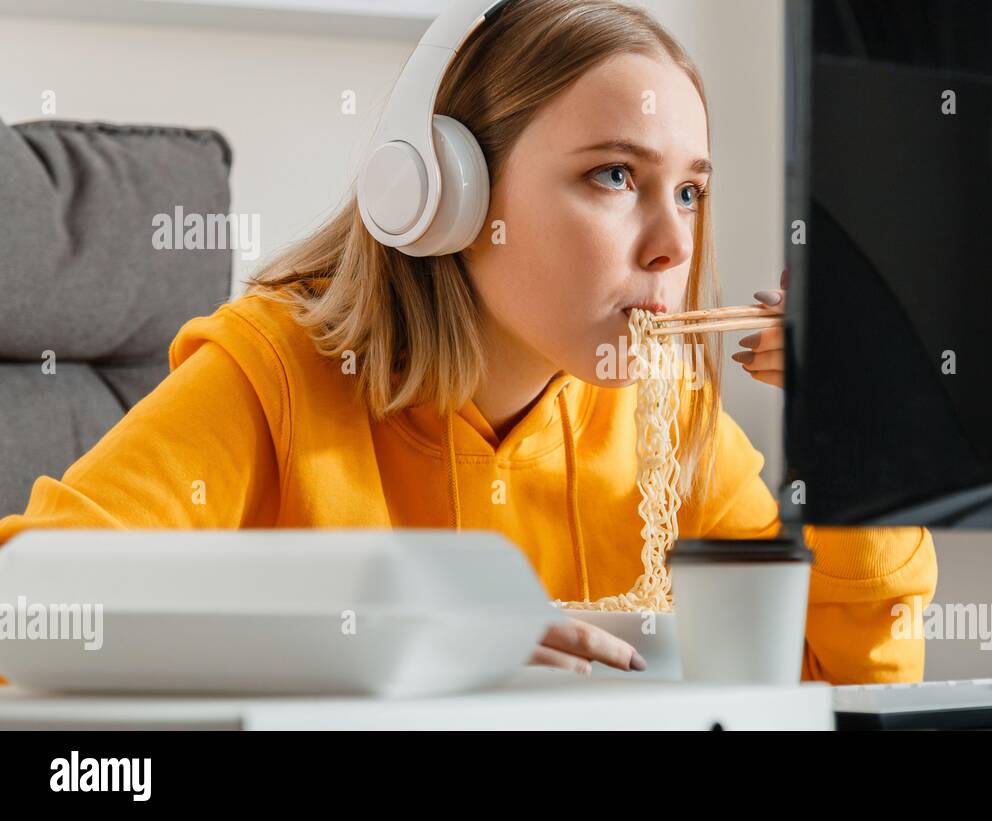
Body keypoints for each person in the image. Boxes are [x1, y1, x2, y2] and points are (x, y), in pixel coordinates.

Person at [0, 0, 935, 683]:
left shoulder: (669, 419)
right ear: (449, 194)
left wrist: (868, 444)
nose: (674, 245)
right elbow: (33, 608)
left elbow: (845, 688)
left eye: (689, 189)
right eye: (616, 175)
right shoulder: (276, 373)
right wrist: (385, 625)